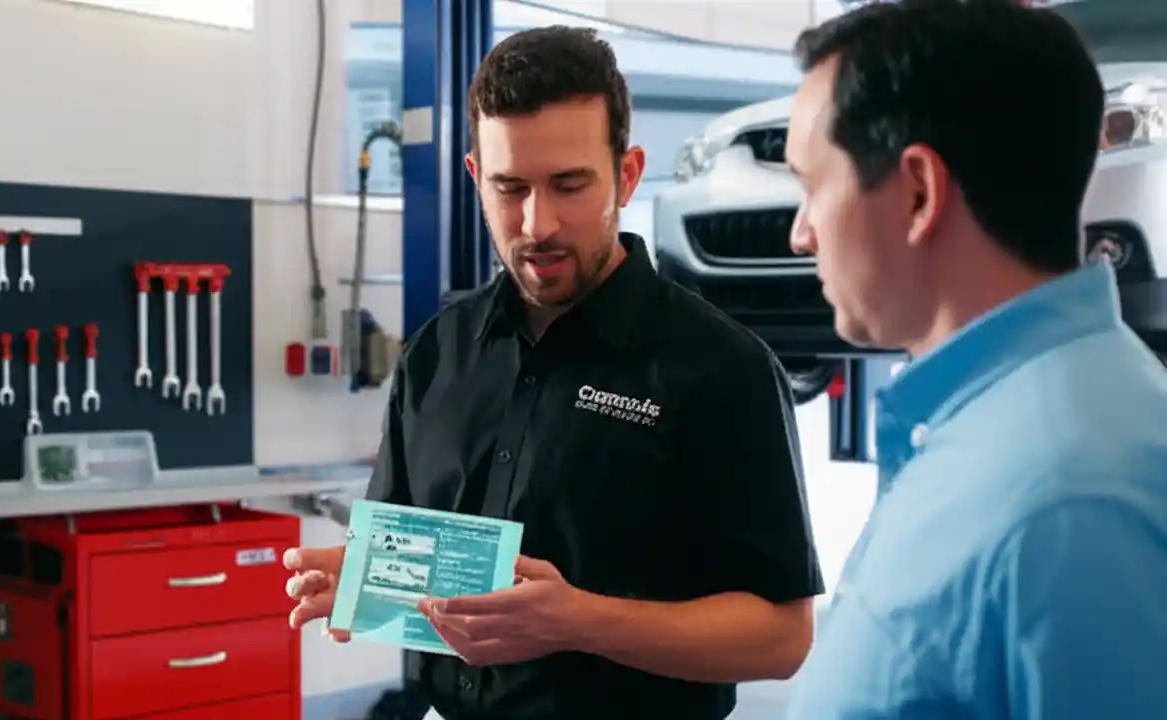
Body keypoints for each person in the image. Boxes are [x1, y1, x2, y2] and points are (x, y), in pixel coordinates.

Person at [285, 25, 824, 720]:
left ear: (627, 175)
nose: (538, 224)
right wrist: (370, 580)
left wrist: (577, 621)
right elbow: (426, 571)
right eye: (511, 188)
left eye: (569, 186)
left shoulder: (722, 370)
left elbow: (780, 638)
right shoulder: (436, 355)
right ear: (477, 178)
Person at [781, 1, 1167, 717]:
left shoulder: (1072, 503)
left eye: (811, 188)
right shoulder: (985, 433)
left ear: (919, 192)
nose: (801, 234)